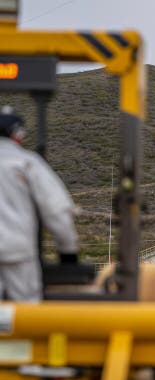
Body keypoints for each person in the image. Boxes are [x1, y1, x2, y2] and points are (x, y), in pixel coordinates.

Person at [0, 106, 79, 302]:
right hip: (17, 253)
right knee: (25, 318)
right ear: (18, 135)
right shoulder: (28, 163)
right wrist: (68, 252)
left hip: (17, 251)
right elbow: (56, 211)